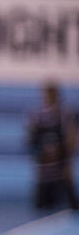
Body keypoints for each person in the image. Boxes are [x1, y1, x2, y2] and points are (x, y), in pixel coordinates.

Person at [27, 81, 79, 211]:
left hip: (61, 164)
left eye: (51, 94)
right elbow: (31, 139)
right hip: (45, 165)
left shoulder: (65, 114)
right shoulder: (37, 115)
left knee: (71, 205)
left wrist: (67, 161)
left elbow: (72, 138)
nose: (48, 97)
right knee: (41, 206)